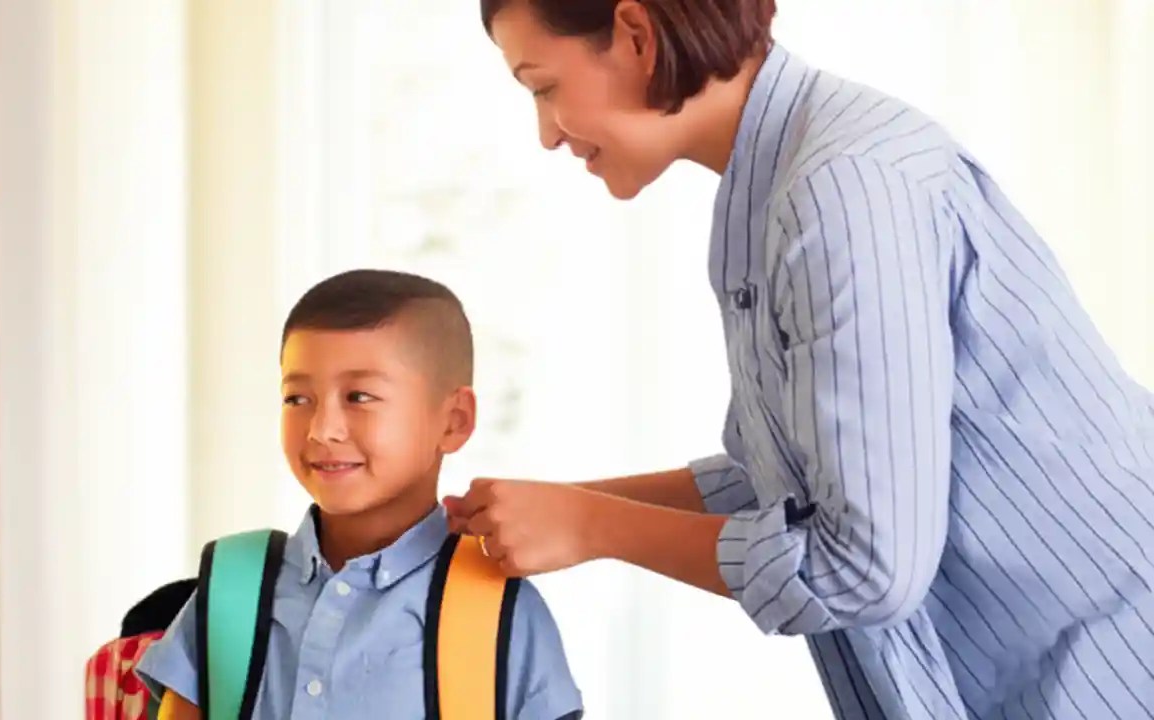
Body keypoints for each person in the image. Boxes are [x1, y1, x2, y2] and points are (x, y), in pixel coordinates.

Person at [444, 1, 1154, 718]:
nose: (544, 134)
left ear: (636, 36)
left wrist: (591, 527)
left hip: (1111, 669)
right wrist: (564, 508)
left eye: (542, 86)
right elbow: (793, 480)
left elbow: (867, 567)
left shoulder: (842, 190)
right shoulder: (783, 185)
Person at [137, 269, 584, 719]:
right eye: (297, 398)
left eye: (359, 396)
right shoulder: (233, 586)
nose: (322, 429)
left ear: (453, 421)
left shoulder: (498, 609)